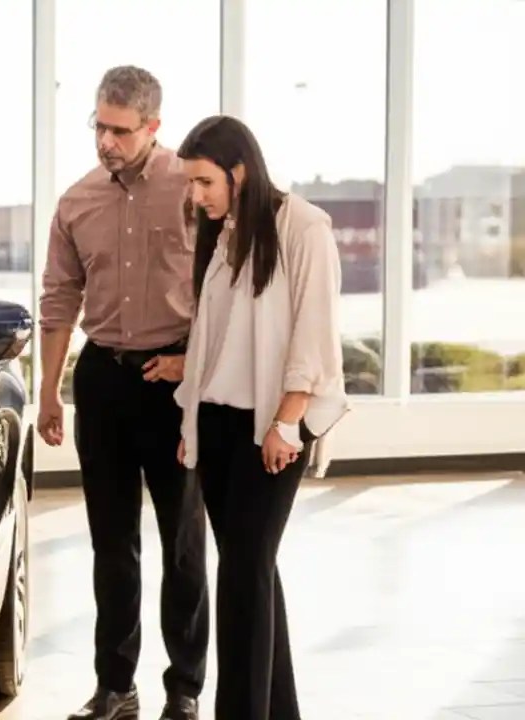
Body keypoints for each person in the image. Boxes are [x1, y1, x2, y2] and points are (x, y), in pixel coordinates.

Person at [38, 65, 209, 720]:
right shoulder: (77, 200)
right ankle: (116, 686)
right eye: (99, 126)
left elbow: (226, 287)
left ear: (152, 126)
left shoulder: (190, 189)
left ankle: (185, 689)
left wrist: (193, 361)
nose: (105, 141)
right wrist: (50, 392)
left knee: (184, 542)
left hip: (173, 383)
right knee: (112, 544)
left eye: (119, 130)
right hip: (103, 380)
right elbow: (59, 300)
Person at [172, 115, 350, 720]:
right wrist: (190, 423)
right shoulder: (223, 234)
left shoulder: (304, 226)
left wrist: (287, 420)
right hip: (220, 426)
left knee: (244, 576)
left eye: (203, 182)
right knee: (252, 570)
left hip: (271, 430)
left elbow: (314, 332)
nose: (195, 196)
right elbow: (213, 338)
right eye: (191, 184)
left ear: (238, 170)